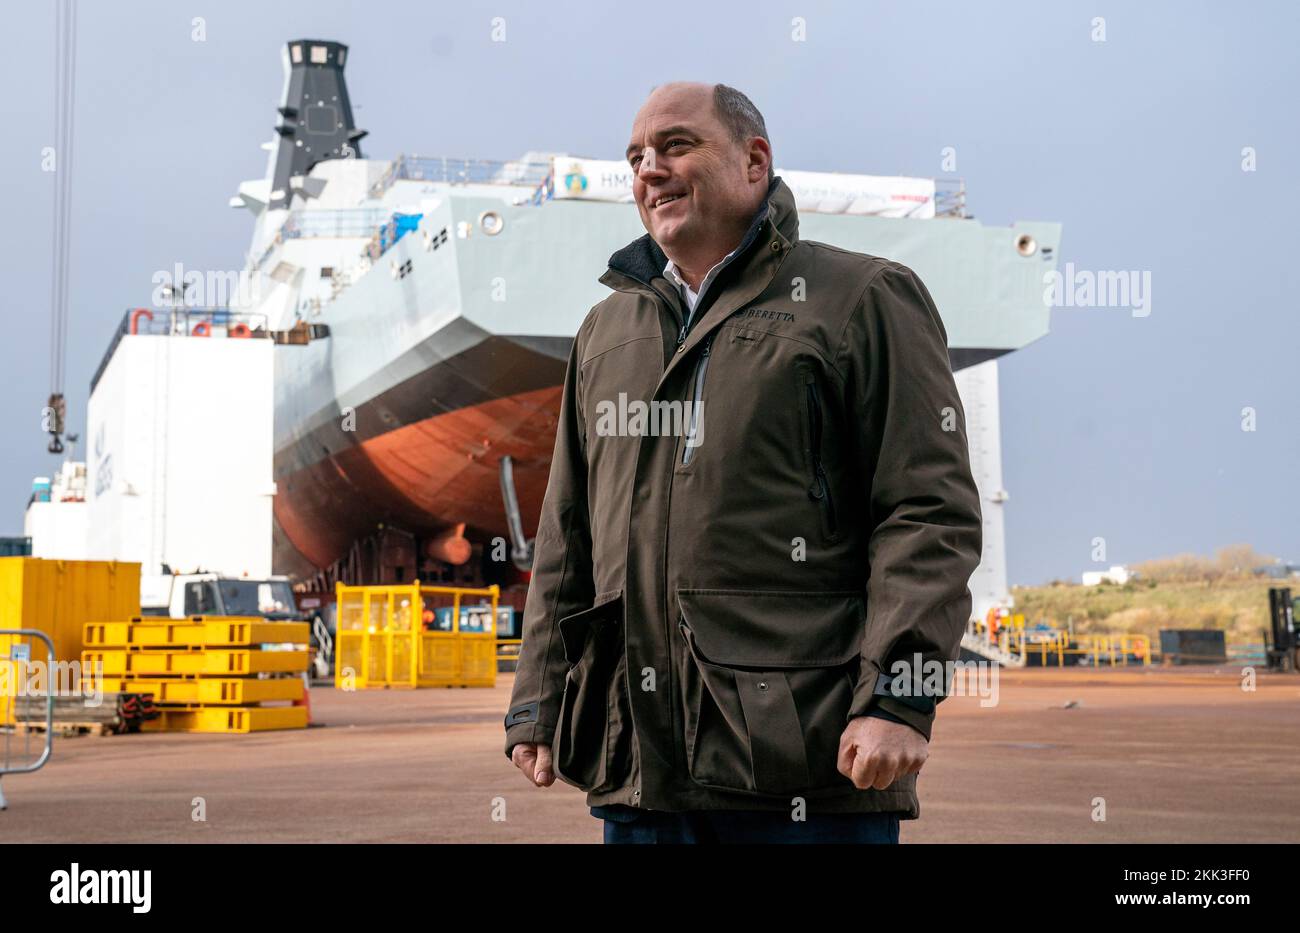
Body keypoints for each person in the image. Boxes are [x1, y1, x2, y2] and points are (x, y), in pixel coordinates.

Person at [504, 81, 983, 844]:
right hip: (637, 776)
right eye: (635, 157)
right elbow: (567, 537)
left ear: (754, 160)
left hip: (801, 766)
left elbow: (928, 511)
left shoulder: (861, 298)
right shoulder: (606, 331)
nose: (648, 169)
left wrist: (898, 697)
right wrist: (538, 700)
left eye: (676, 145)